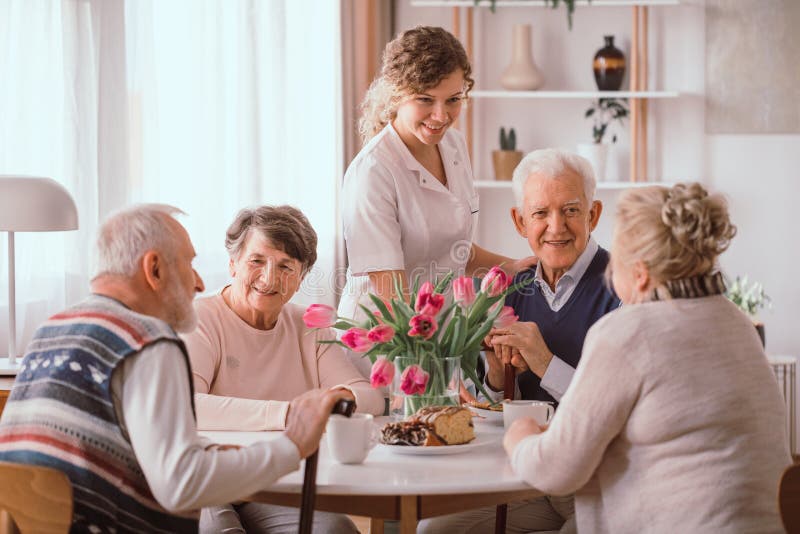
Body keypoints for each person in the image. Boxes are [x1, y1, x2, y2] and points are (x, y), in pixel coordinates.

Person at [0, 204, 349, 532]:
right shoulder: (147, 341)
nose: (198, 283)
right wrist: (293, 445)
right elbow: (182, 486)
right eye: (188, 263)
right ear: (154, 269)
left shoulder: (51, 328)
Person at [503, 183, 791, 533]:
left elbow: (556, 470)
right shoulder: (737, 321)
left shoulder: (627, 332)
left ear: (639, 274)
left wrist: (519, 434)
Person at [419, 149, 620, 534]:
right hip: (526, 475)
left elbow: (614, 413)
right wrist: (495, 377)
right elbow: (494, 407)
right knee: (434, 531)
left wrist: (545, 363)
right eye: (541, 213)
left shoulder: (622, 287)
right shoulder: (509, 287)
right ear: (520, 221)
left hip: (598, 484)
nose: (556, 226)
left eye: (571, 211)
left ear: (593, 215)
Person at [339, 26, 535, 377]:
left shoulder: (453, 146)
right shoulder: (373, 173)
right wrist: (461, 344)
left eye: (453, 100)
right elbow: (392, 299)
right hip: (387, 348)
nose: (441, 115)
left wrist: (514, 267)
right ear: (396, 95)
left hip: (438, 337)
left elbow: (452, 248)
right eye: (426, 100)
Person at [183, 205, 382, 533]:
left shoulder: (310, 325)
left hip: (277, 482)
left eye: (286, 266)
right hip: (211, 477)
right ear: (233, 264)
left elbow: (368, 397)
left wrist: (334, 400)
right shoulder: (202, 319)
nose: (269, 278)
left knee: (336, 531)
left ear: (302, 276)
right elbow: (189, 407)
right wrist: (290, 416)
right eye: (256, 261)